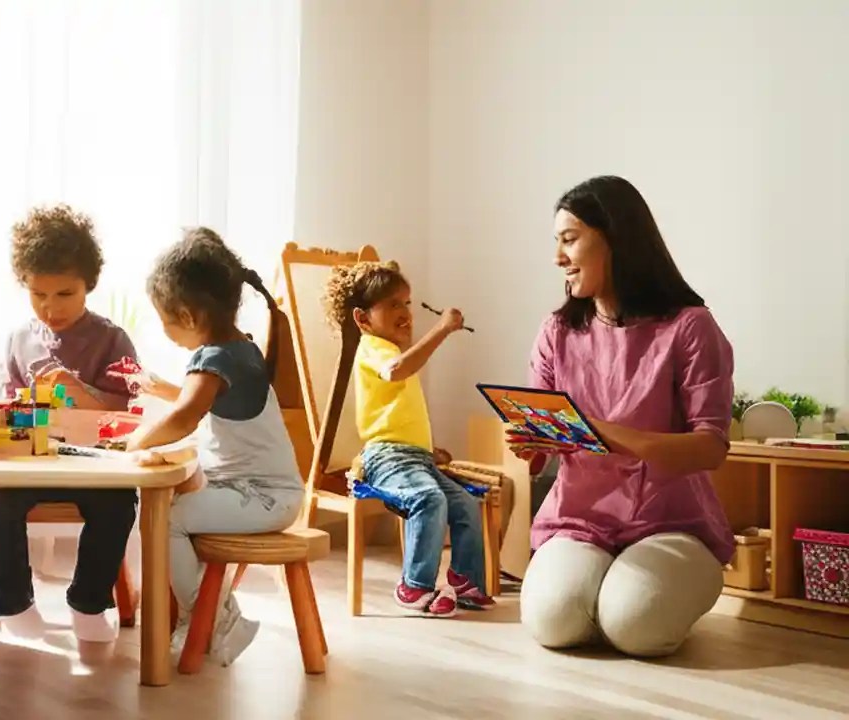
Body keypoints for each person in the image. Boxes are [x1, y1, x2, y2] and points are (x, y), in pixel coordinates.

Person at [515, 175, 734, 657]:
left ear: (615, 238)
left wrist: (605, 433)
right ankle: (605, 593)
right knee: (552, 622)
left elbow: (710, 447)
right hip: (579, 522)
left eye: (569, 239)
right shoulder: (557, 331)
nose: (558, 257)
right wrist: (535, 445)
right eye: (557, 242)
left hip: (671, 523)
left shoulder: (689, 327)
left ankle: (639, 598)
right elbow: (545, 435)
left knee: (635, 626)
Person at [126, 228, 304, 666]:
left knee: (165, 519)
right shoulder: (239, 349)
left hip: (261, 497)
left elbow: (188, 416)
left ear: (187, 315)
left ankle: (215, 616)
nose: (165, 329)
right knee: (171, 503)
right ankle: (209, 612)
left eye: (164, 319)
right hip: (265, 493)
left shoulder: (213, 359)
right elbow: (203, 403)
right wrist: (168, 390)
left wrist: (133, 443)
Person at [0, 205, 138, 643]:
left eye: (65, 294)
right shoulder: (18, 340)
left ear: (89, 284)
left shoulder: (112, 340)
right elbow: (3, 413)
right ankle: (13, 602)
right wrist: (26, 406)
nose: (50, 307)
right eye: (38, 295)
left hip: (91, 466)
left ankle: (88, 602)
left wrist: (72, 386)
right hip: (31, 462)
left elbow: (119, 420)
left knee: (119, 503)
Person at [322, 261, 492, 617]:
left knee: (463, 503)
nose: (405, 312)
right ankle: (413, 586)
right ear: (363, 319)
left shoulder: (393, 350)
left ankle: (465, 578)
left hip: (415, 458)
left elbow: (402, 413)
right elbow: (397, 372)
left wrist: (429, 451)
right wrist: (442, 329)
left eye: (407, 303)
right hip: (386, 457)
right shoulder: (372, 347)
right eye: (392, 304)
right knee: (429, 499)